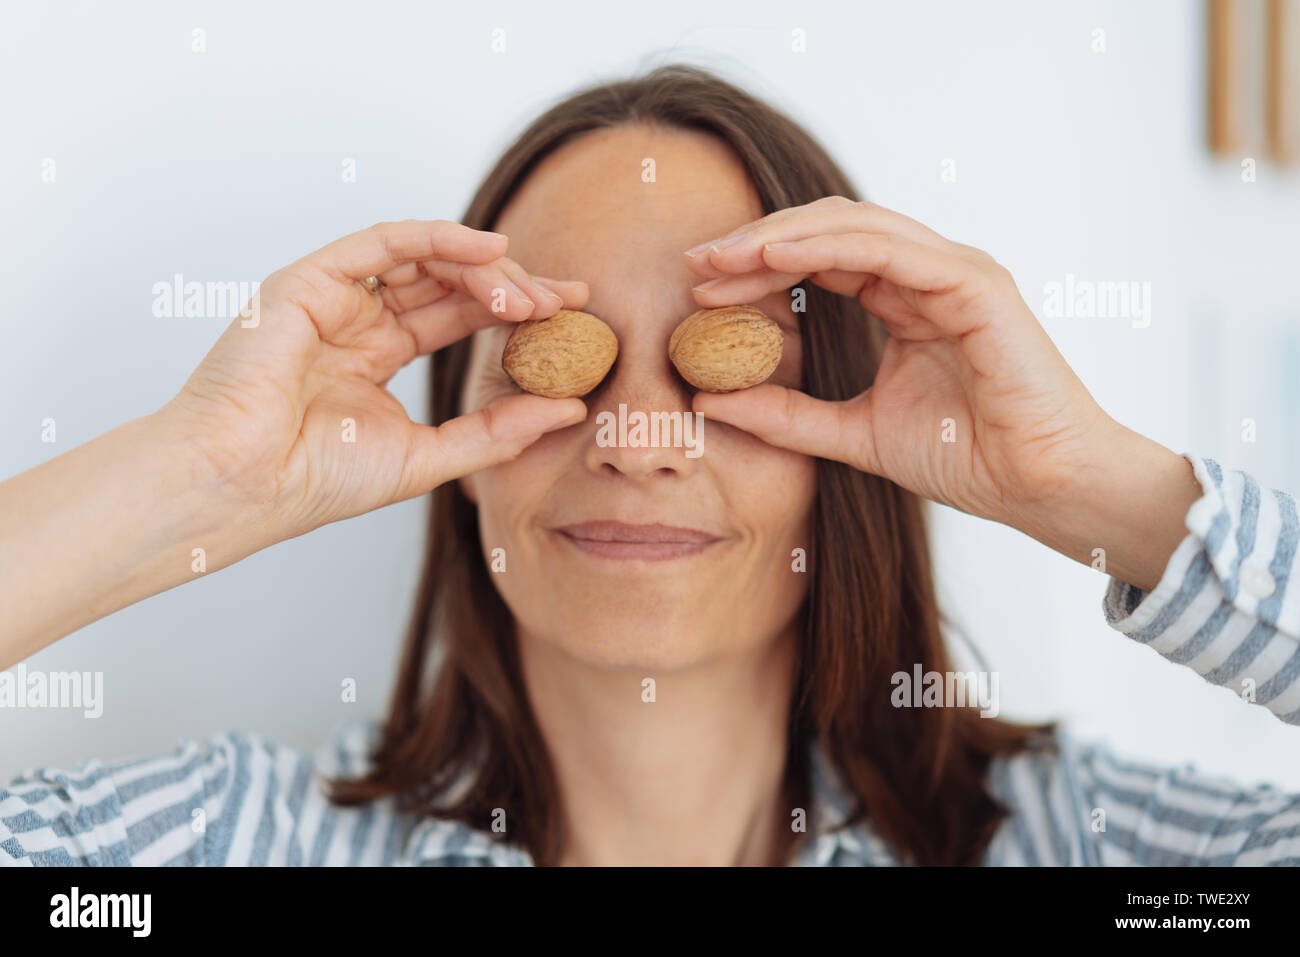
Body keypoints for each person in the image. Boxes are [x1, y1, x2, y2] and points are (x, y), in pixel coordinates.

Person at [2, 65, 1297, 867]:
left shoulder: (1091, 850)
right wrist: (195, 478)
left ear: (858, 418)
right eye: (553, 360)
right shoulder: (246, 844)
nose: (634, 437)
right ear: (452, 433)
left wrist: (1099, 489)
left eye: (721, 368)